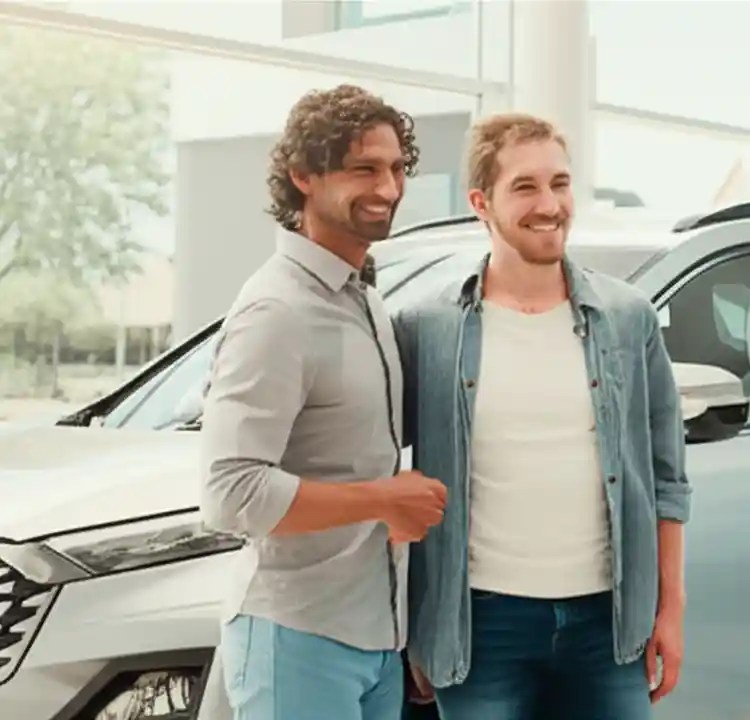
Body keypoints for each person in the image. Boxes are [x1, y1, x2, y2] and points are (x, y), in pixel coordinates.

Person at [392, 112, 690, 720]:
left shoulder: (628, 319)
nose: (549, 203)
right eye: (525, 186)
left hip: (606, 627)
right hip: (481, 627)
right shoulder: (427, 328)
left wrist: (670, 610)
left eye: (560, 182)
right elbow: (378, 472)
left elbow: (667, 481)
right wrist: (414, 626)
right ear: (482, 201)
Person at [199, 84, 449, 720]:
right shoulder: (277, 310)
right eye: (363, 168)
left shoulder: (363, 298)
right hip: (298, 639)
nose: (388, 188)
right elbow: (231, 493)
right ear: (303, 175)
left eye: (396, 169)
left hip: (374, 642)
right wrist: (384, 499)